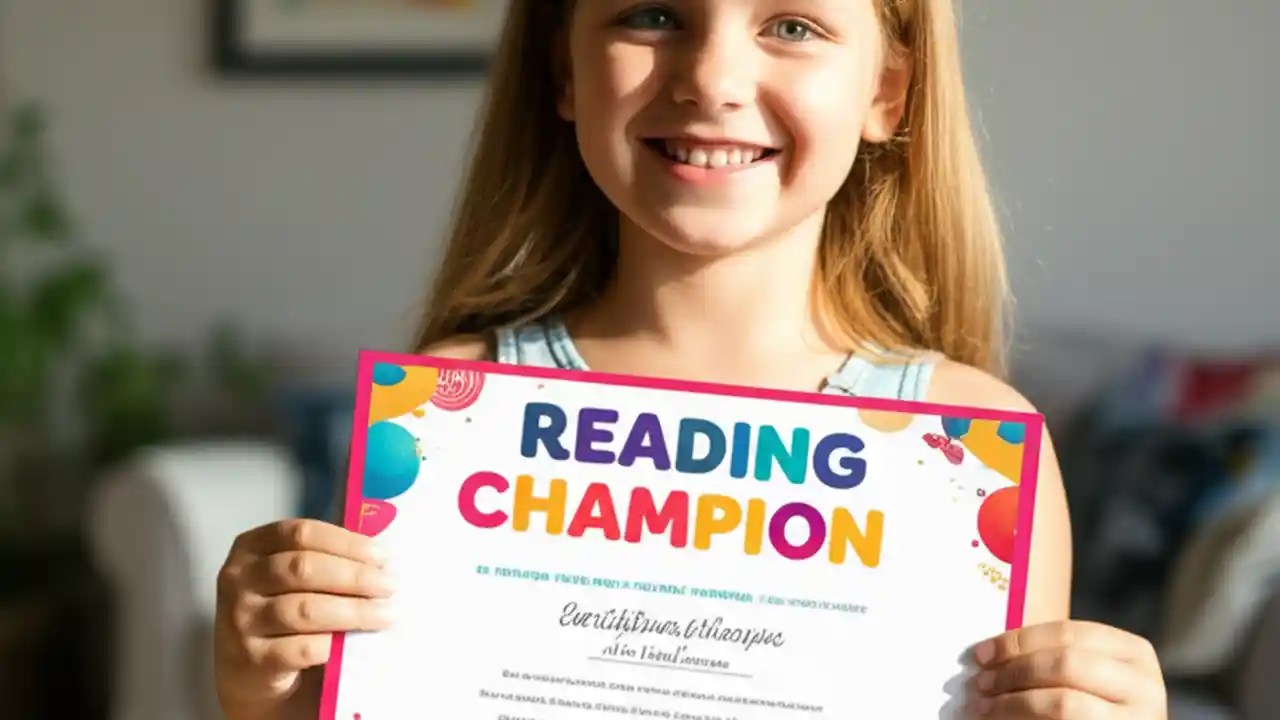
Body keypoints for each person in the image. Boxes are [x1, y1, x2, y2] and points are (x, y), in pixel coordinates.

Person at [214, 1, 1170, 717]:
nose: (711, 77)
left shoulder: (970, 450)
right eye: (655, 14)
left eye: (791, 25)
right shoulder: (448, 418)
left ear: (887, 90)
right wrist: (260, 684)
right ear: (563, 70)